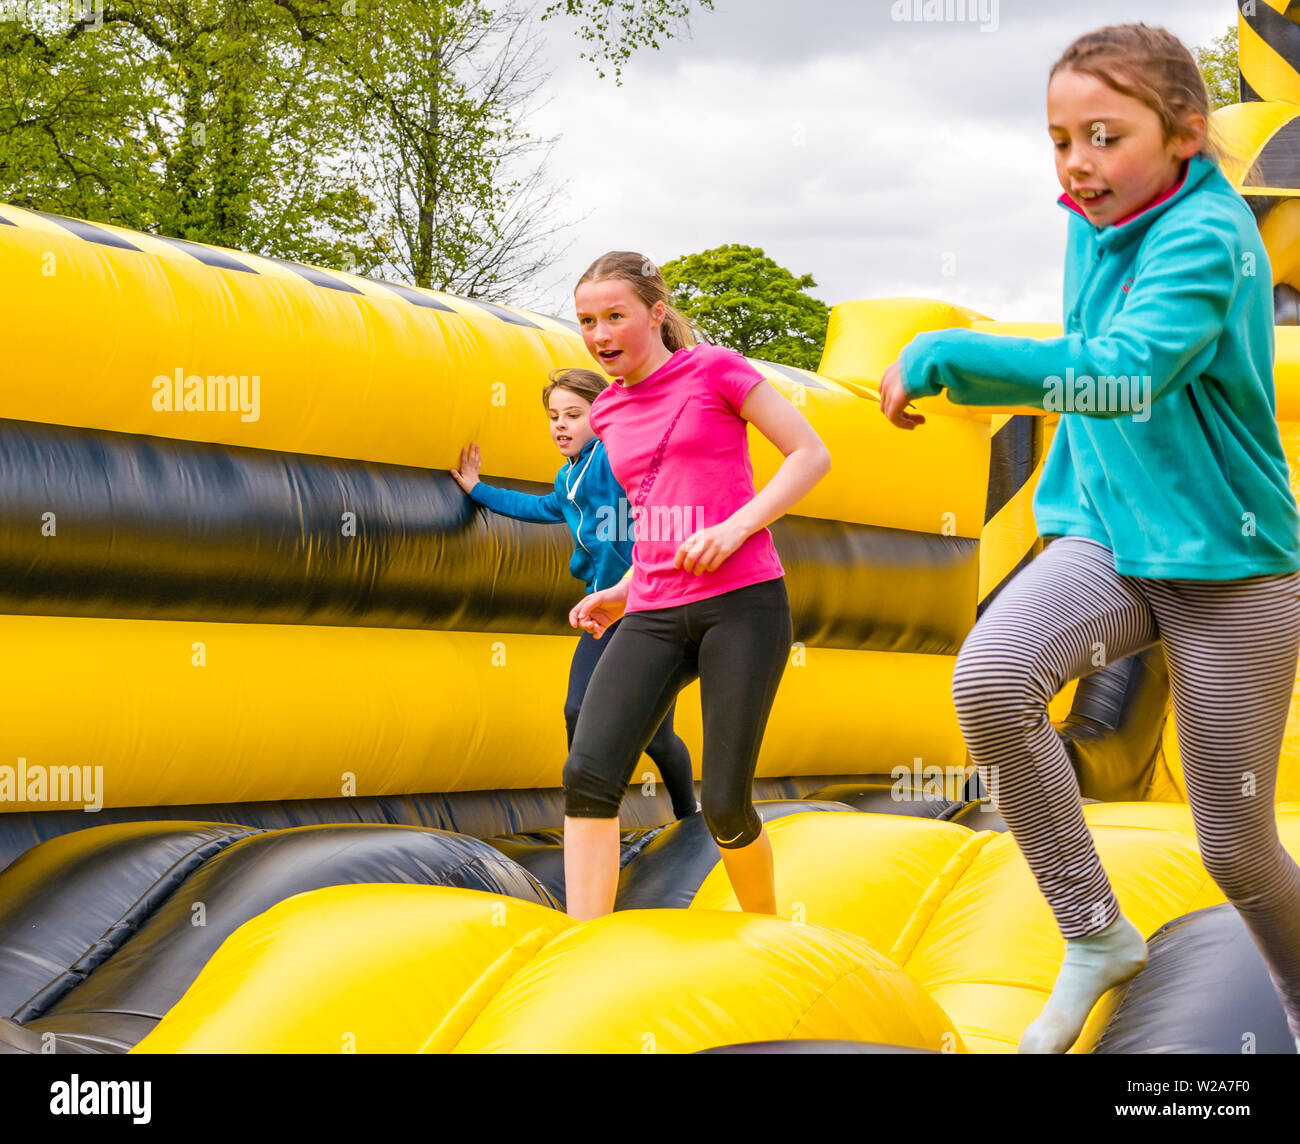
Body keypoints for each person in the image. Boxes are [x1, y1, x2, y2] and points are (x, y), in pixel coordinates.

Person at [879, 23, 1300, 1055]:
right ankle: (1093, 930)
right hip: (1106, 533)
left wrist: (943, 355)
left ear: (1187, 133)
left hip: (1227, 558)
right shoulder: (1088, 218)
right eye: (1059, 137)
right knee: (990, 680)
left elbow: (1121, 370)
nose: (1075, 162)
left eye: (1104, 135)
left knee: (1236, 848)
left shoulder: (1207, 238)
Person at [561, 251, 832, 921]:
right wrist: (620, 590)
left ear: (656, 313)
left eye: (614, 316)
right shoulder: (610, 414)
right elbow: (658, 507)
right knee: (588, 776)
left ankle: (766, 932)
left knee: (725, 803)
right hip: (653, 609)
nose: (599, 335)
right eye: (587, 321)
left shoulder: (716, 370)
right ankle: (580, 942)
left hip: (741, 606)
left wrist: (736, 529)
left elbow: (810, 454)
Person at [451, 367, 698, 822]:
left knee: (658, 738)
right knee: (578, 709)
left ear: (602, 417)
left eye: (573, 415)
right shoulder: (568, 480)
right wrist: (477, 489)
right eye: (553, 416)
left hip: (649, 607)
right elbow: (538, 507)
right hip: (603, 612)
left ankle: (690, 816)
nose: (560, 425)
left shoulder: (612, 456)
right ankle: (586, 815)